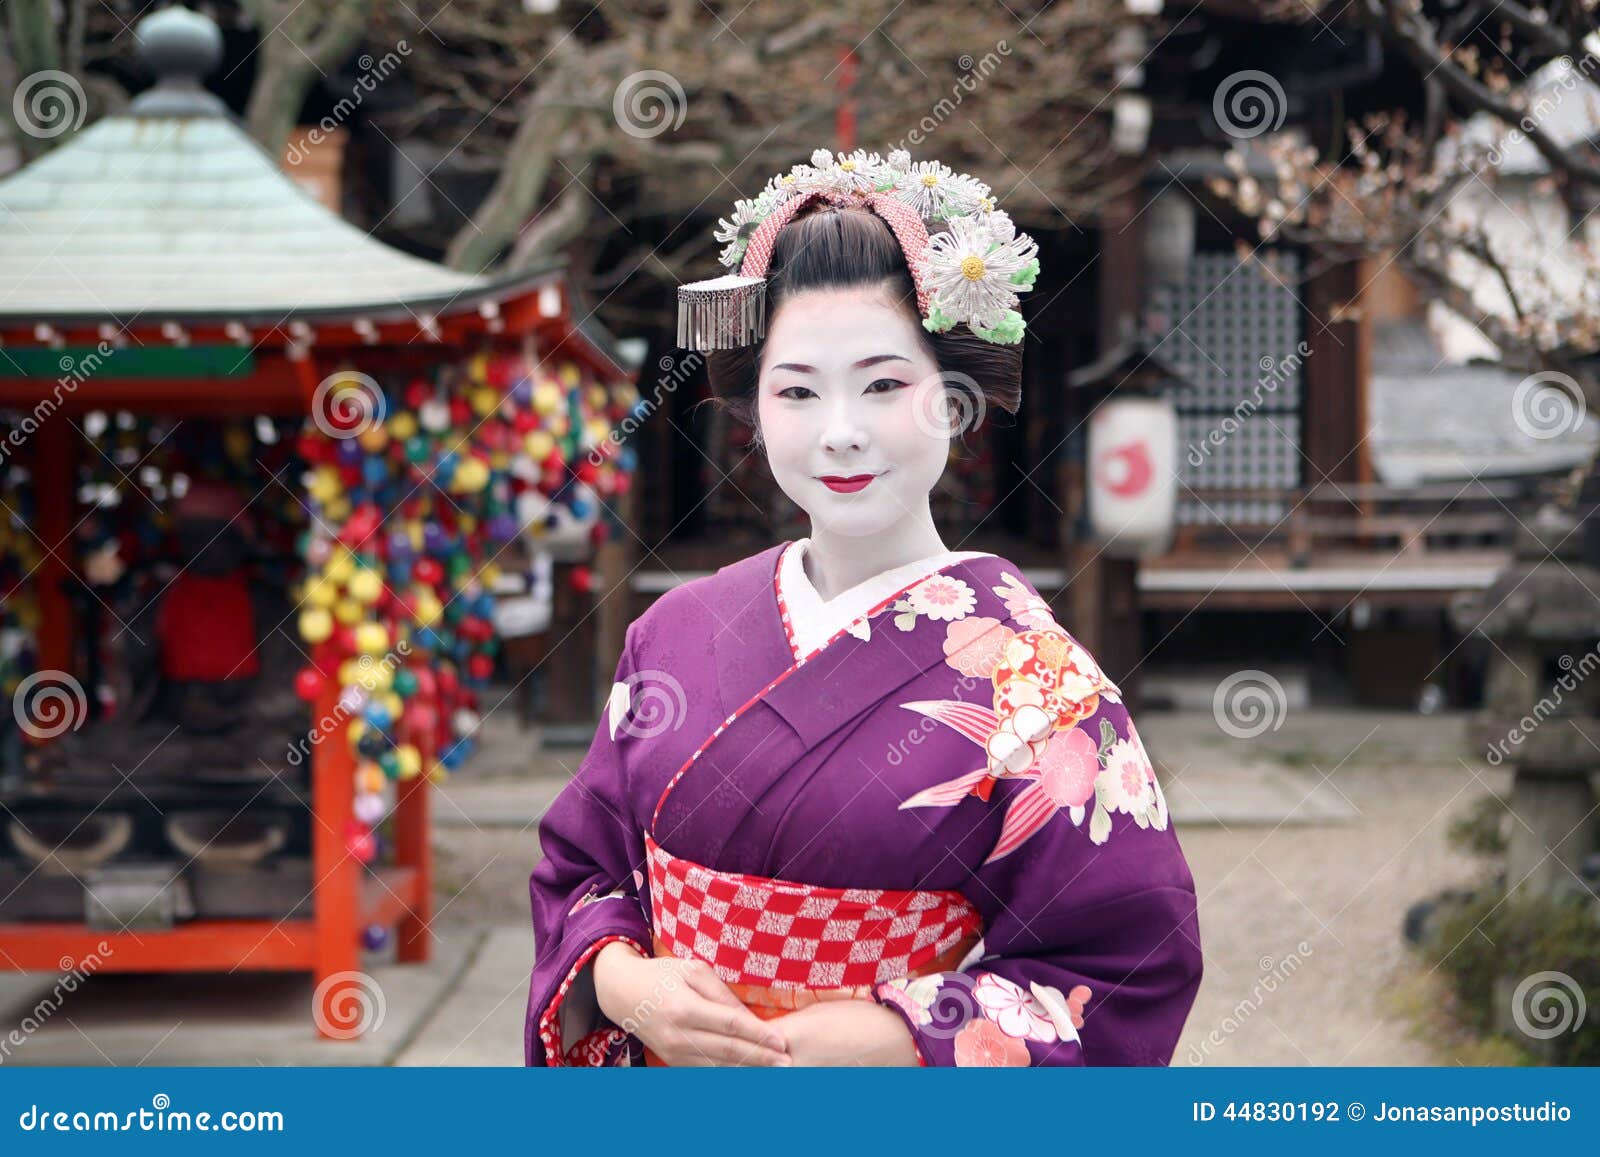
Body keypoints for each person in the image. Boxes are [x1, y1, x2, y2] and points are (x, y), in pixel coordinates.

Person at [525, 148, 1202, 1067]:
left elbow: (1125, 966)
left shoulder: (1037, 681)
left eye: (883, 384)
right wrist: (623, 982)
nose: (839, 428)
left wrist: (898, 1034)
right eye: (796, 389)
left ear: (955, 399)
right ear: (753, 411)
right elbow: (582, 866)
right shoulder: (673, 633)